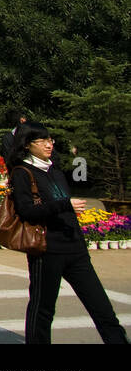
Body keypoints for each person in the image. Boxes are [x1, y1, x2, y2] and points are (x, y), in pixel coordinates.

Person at [7, 122, 127, 344]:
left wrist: (68, 211)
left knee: (102, 308)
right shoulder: (22, 173)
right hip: (47, 250)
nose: (48, 145)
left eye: (50, 140)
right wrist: (64, 205)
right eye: (41, 140)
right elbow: (26, 212)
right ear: (26, 145)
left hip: (76, 250)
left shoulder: (55, 169)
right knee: (42, 310)